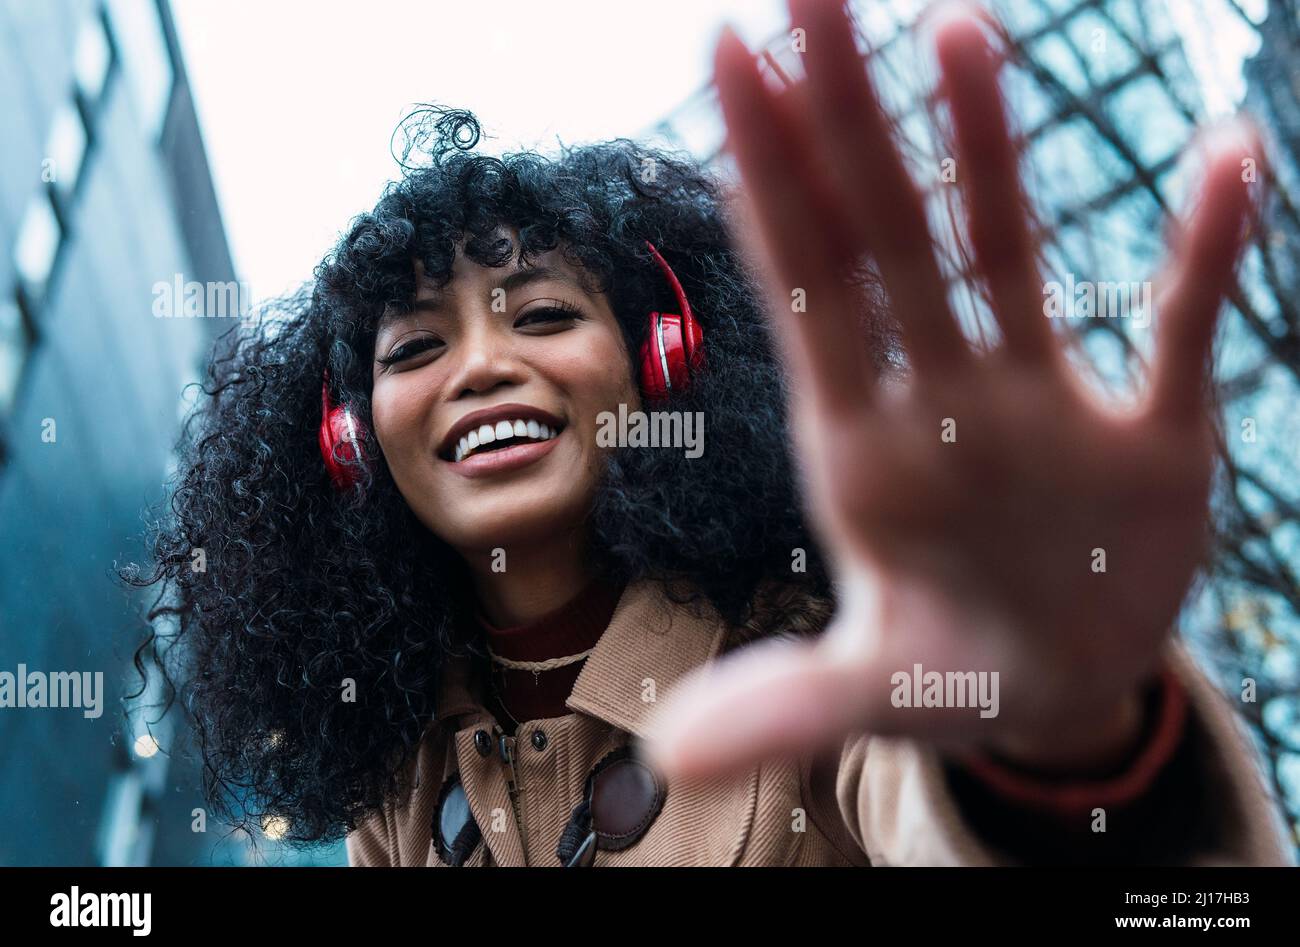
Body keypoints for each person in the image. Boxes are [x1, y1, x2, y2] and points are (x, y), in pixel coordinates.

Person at [127, 0, 1293, 866]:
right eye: (415, 349)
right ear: (350, 440)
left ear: (666, 361)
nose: (481, 366)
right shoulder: (402, 777)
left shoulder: (834, 660)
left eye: (541, 314)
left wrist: (1069, 738)